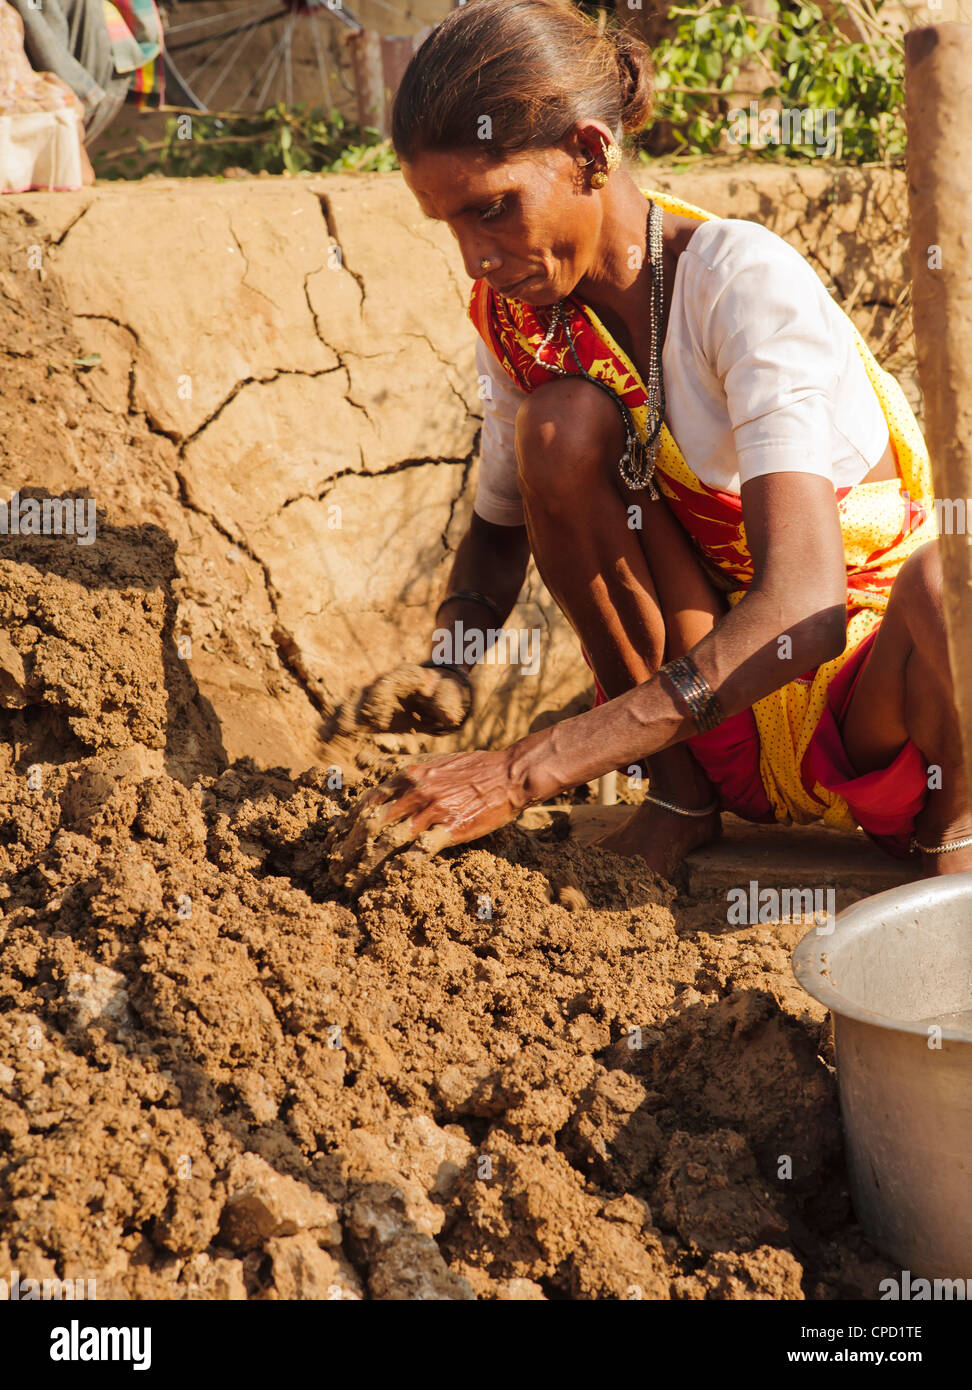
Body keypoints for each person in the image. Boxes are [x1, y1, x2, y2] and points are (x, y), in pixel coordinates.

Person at [335, 0, 971, 885]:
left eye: (492, 211)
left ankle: (954, 845)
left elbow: (807, 608)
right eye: (448, 225)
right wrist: (453, 658)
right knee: (560, 427)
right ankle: (677, 800)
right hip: (711, 720)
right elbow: (499, 526)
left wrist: (529, 768)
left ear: (591, 154)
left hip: (873, 702)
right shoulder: (525, 316)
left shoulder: (737, 283)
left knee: (951, 588)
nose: (474, 257)